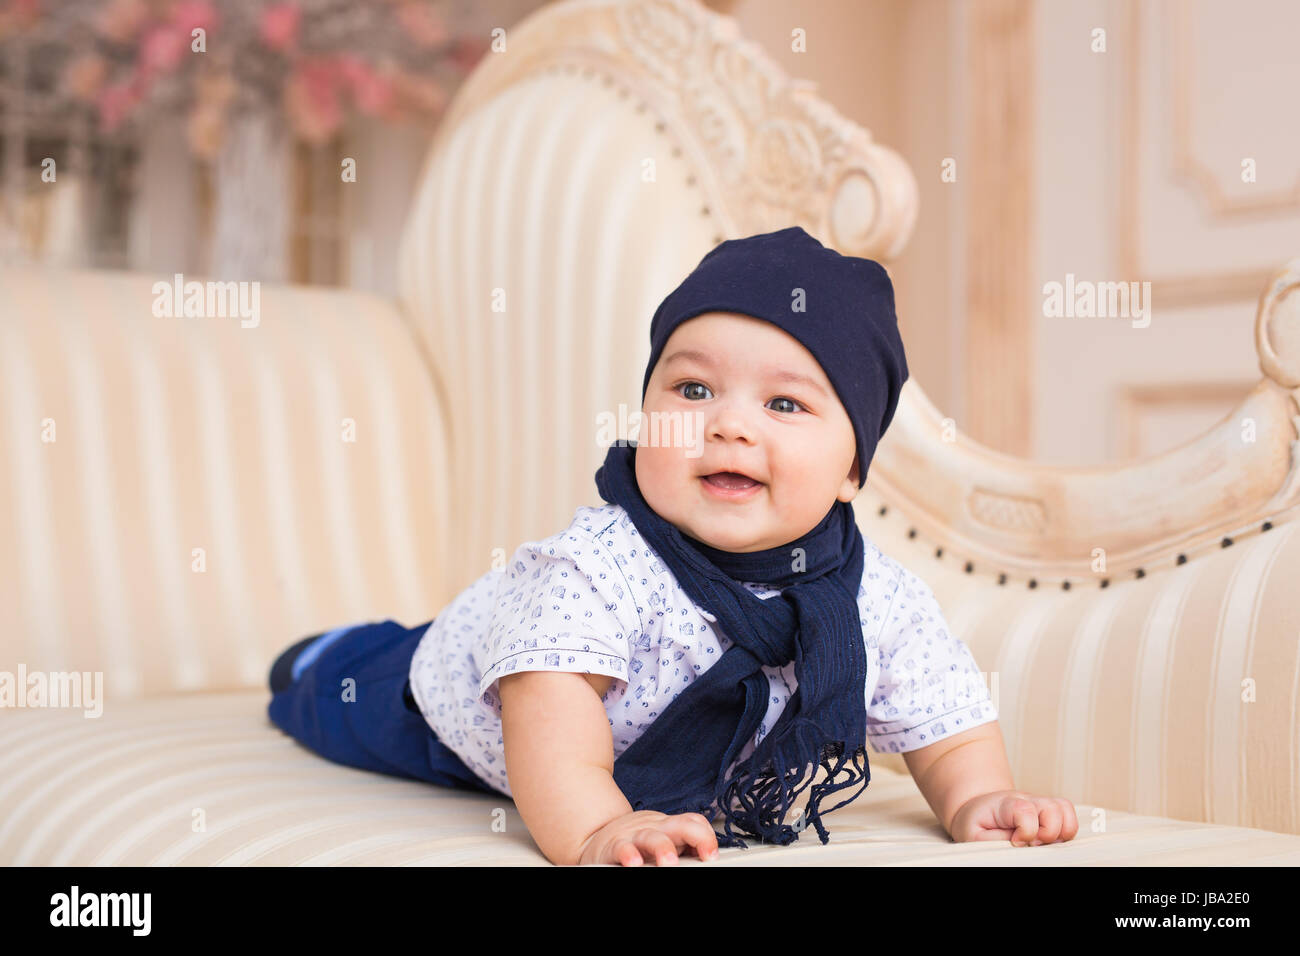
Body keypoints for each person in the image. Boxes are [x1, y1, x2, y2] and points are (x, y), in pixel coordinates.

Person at [267, 226, 1078, 866]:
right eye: (693, 389)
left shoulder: (878, 603)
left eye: (785, 405)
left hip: (593, 733)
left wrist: (980, 800)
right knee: (335, 693)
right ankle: (319, 656)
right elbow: (549, 718)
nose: (729, 423)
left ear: (853, 470)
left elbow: (949, 725)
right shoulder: (602, 565)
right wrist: (596, 832)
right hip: (450, 704)